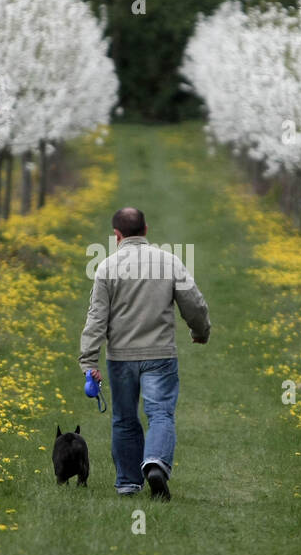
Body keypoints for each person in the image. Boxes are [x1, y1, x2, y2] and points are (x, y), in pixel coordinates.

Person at [78, 207, 211, 500]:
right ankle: (155, 463)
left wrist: (89, 361)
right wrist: (200, 331)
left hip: (120, 358)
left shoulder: (106, 268)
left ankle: (127, 481)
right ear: (146, 229)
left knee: (124, 419)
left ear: (116, 235)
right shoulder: (170, 261)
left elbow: (96, 318)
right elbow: (194, 303)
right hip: (160, 355)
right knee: (160, 413)